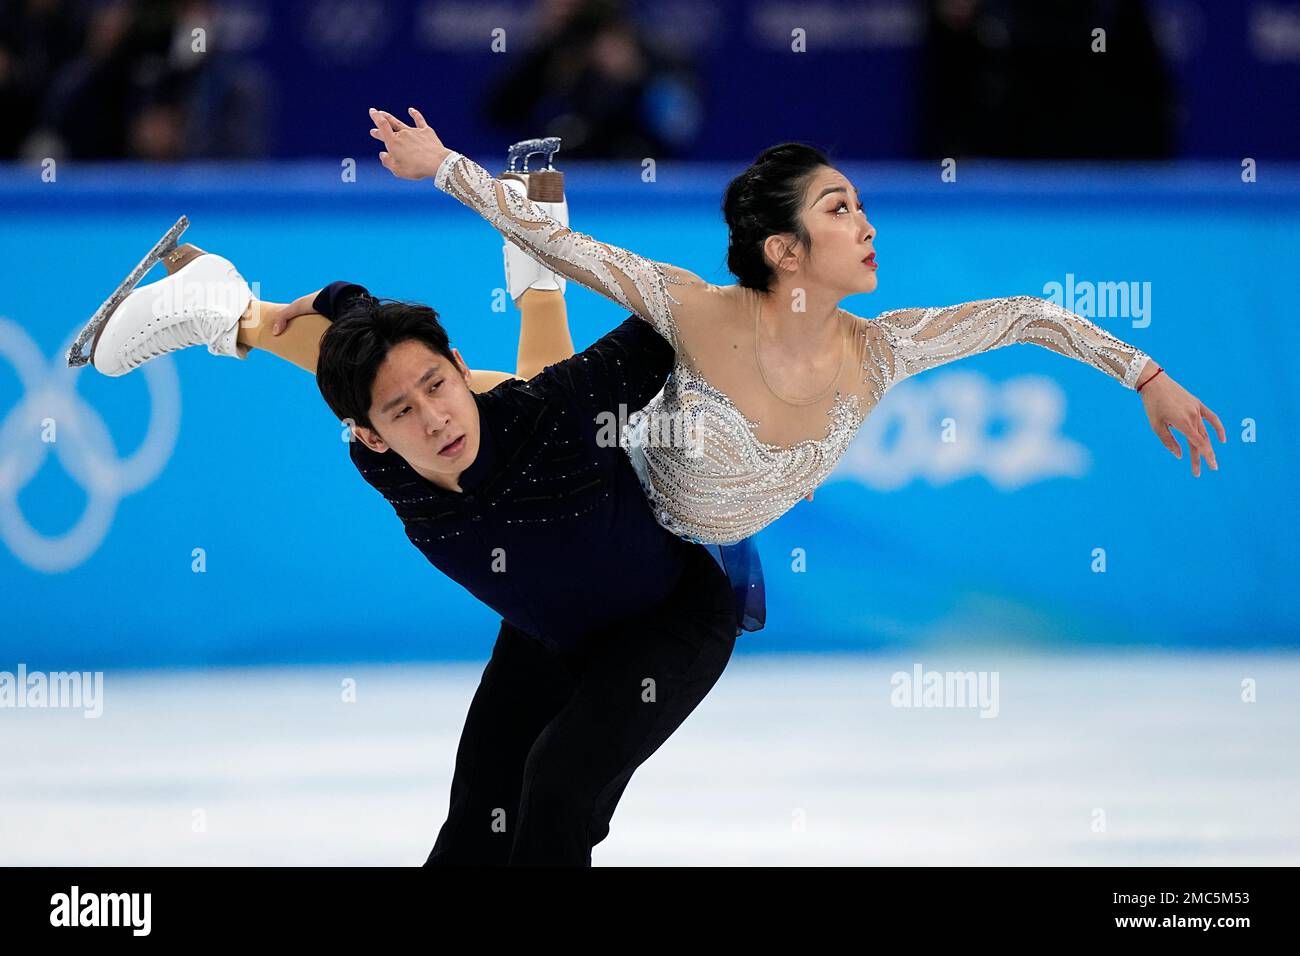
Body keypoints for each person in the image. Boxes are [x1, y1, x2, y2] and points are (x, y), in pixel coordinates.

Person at [77, 159, 761, 866]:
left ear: (458, 365)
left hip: (670, 617)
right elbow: (360, 345)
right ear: (369, 436)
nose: (432, 420)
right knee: (475, 831)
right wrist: (328, 300)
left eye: (439, 386)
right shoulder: (382, 455)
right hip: (549, 630)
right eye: (401, 413)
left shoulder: (554, 408)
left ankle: (226, 310)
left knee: (558, 789)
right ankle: (226, 306)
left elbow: (700, 315)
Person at [363, 106, 1228, 549]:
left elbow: (1024, 315)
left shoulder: (882, 351)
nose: (867, 225)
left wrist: (1146, 376)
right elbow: (568, 243)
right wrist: (442, 165)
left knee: (539, 354)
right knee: (526, 372)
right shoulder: (698, 310)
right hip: (608, 489)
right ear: (783, 248)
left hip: (711, 555)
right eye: (839, 208)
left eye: (862, 205)